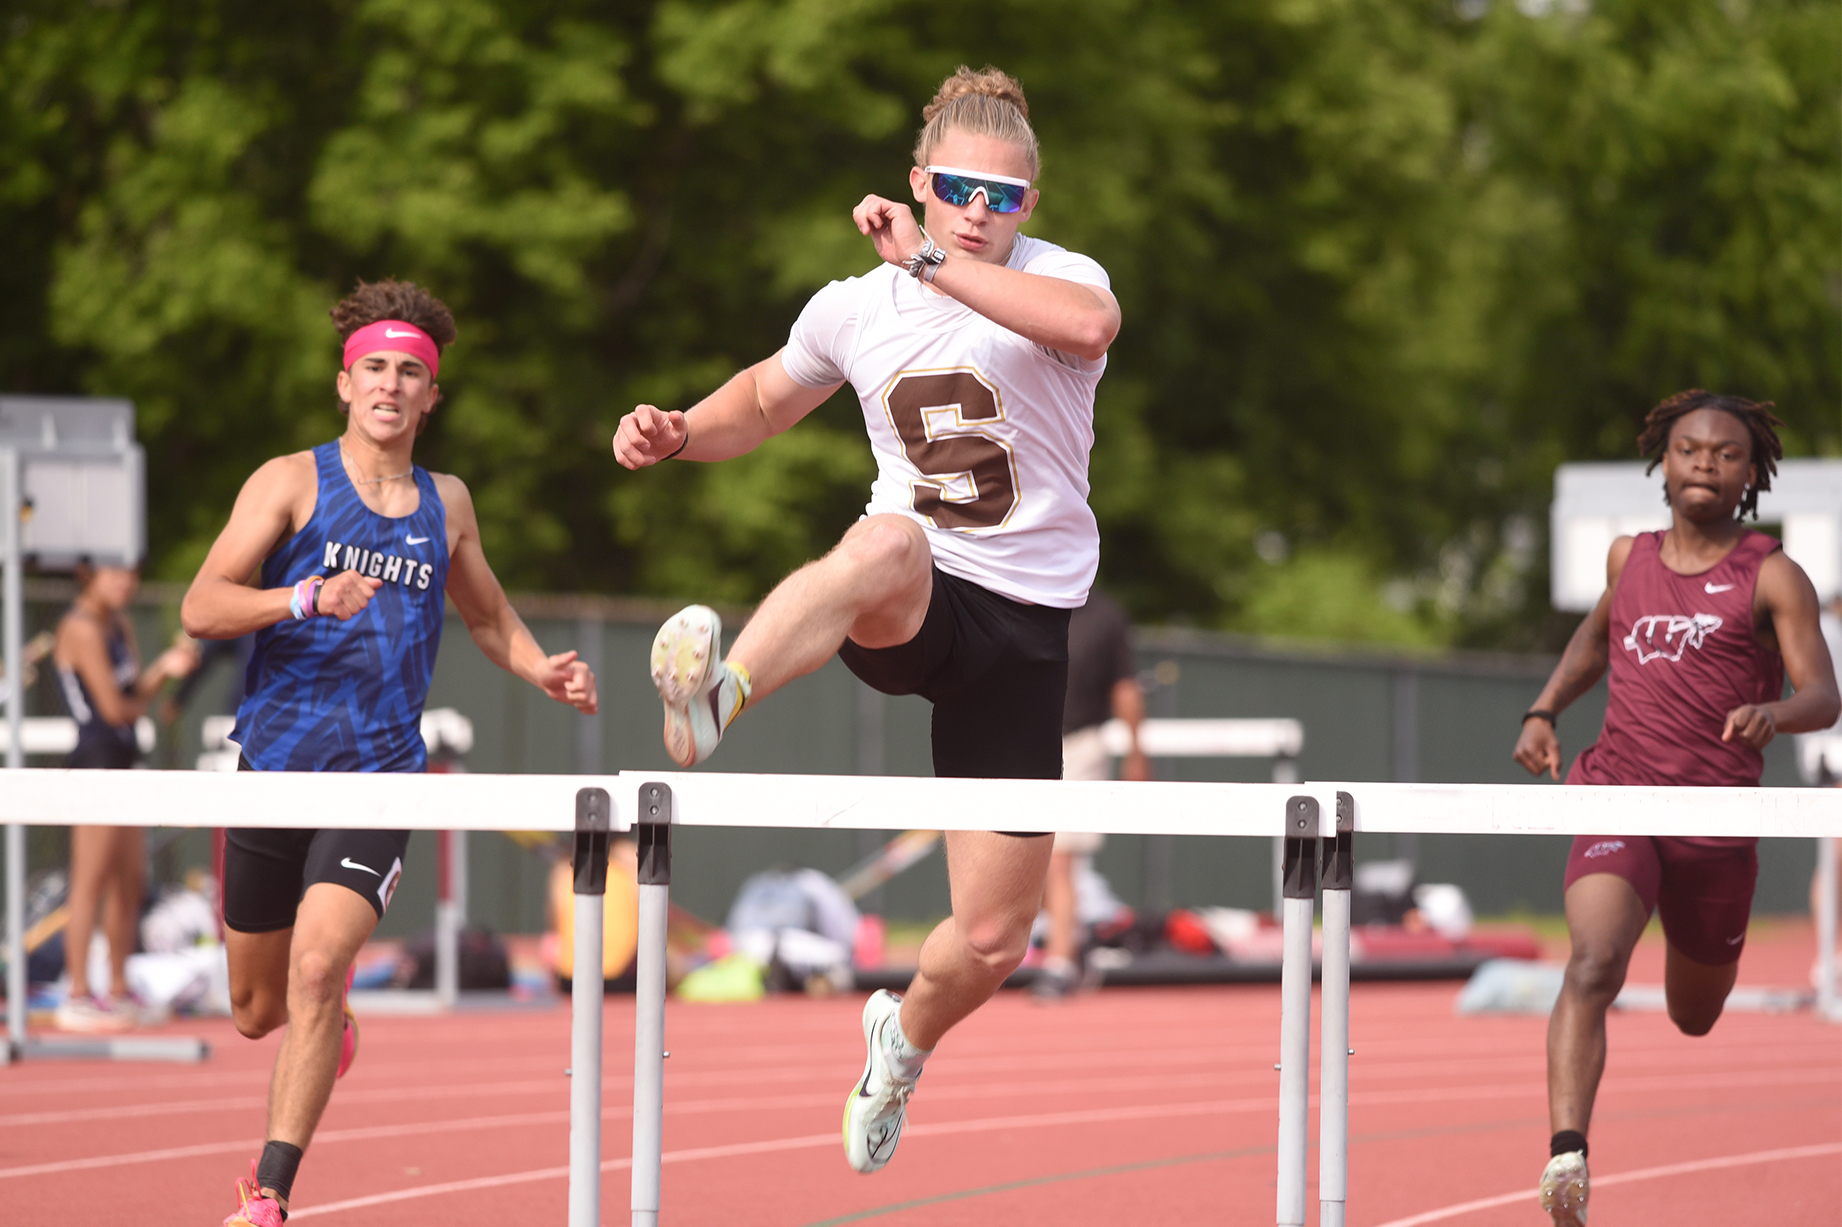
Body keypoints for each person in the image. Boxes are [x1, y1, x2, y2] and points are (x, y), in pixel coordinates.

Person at [612, 65, 1120, 1174]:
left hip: (1027, 634)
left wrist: (934, 260)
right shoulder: (854, 306)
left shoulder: (1057, 277)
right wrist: (678, 431)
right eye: (957, 191)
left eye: (1006, 199)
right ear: (916, 181)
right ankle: (717, 696)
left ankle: (902, 1040)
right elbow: (761, 398)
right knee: (886, 537)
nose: (980, 213)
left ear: (1032, 206)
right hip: (919, 597)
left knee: (991, 941)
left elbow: (1086, 329)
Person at [181, 279, 599, 1226]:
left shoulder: (446, 502)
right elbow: (201, 606)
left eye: (411, 372)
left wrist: (543, 670)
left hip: (378, 775)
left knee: (319, 968)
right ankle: (329, 1034)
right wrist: (302, 598)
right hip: (273, 771)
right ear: (344, 383)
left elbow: (487, 613)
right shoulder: (288, 481)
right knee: (257, 1006)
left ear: (431, 398)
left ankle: (271, 1194)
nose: (391, 384)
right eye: (375, 366)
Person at [1511, 389, 1839, 1227]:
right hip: (1620, 787)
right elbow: (1594, 638)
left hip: (1717, 819)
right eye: (1690, 449)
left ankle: (1688, 946)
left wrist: (1777, 712)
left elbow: (1824, 693)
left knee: (1695, 1013)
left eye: (1726, 454)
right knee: (1591, 963)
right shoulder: (1631, 557)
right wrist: (1544, 710)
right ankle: (1566, 1156)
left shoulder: (1772, 574)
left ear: (1751, 474)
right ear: (1664, 461)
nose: (1705, 463)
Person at [50, 562, 199, 1031]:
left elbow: (134, 696)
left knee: (129, 881)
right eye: (114, 574)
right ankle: (76, 993)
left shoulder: (121, 624)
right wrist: (157, 678)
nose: (125, 583)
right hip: (95, 764)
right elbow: (115, 709)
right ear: (88, 576)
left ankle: (117, 988)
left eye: (131, 574)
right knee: (90, 882)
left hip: (127, 760)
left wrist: (163, 671)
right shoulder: (80, 628)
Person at [1036, 588, 1147, 999]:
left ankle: (1060, 962)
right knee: (1033, 856)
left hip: (1079, 744)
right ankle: (1066, 943)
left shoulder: (1105, 616)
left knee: (1060, 858)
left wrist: (1137, 753)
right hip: (1023, 743)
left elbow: (1125, 688)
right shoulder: (1020, 595)